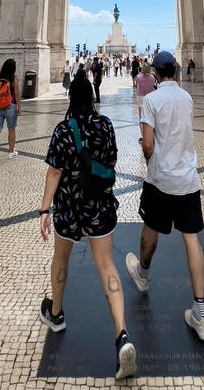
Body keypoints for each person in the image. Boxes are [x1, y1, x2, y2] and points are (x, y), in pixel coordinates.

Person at [39, 76, 136, 380]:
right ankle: (122, 335)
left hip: (69, 207)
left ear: (70, 97)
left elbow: (54, 172)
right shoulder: (105, 125)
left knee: (61, 258)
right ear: (93, 96)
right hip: (99, 205)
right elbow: (112, 162)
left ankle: (56, 314)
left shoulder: (63, 129)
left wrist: (44, 208)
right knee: (107, 265)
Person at [125, 50, 204, 342]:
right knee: (191, 238)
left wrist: (149, 156)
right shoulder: (187, 98)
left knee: (151, 227)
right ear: (174, 70)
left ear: (156, 73)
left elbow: (148, 144)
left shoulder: (152, 100)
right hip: (187, 178)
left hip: (161, 178)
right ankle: (200, 312)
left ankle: (143, 273)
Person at [0, 58, 21, 167]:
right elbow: (17, 94)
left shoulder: (0, 79)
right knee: (11, 129)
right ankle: (11, 152)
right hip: (11, 107)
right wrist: (19, 107)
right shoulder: (14, 78)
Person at [135, 62, 155, 143]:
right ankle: (152, 135)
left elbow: (138, 85)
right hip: (150, 97)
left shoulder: (138, 77)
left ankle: (144, 136)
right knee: (151, 116)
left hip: (141, 97)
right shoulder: (152, 77)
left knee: (141, 117)